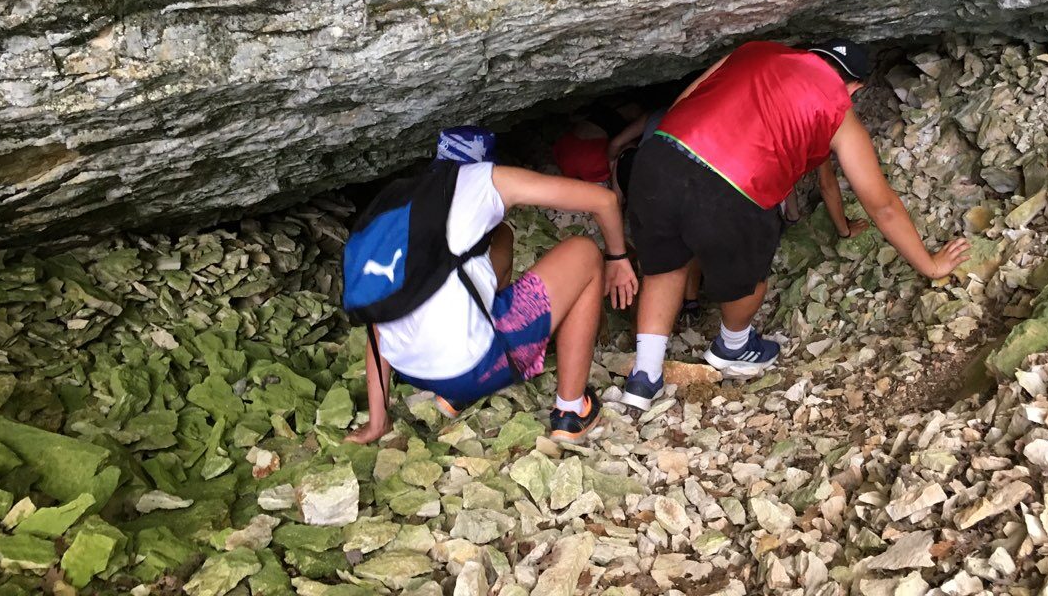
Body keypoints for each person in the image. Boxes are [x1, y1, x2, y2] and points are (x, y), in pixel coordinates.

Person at [621, 39, 970, 409]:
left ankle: (644, 378)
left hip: (658, 161)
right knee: (750, 274)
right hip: (730, 186)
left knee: (664, 268)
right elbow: (881, 205)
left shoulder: (754, 51)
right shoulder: (838, 110)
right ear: (854, 87)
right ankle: (733, 346)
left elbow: (685, 101)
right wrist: (930, 265)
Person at [346, 130, 639, 444]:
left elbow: (380, 310)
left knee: (500, 236)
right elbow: (604, 200)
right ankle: (571, 410)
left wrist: (378, 421)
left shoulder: (405, 204)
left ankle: (446, 399)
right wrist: (618, 257)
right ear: (484, 162)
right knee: (583, 253)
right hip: (473, 369)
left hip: (414, 371)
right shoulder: (486, 180)